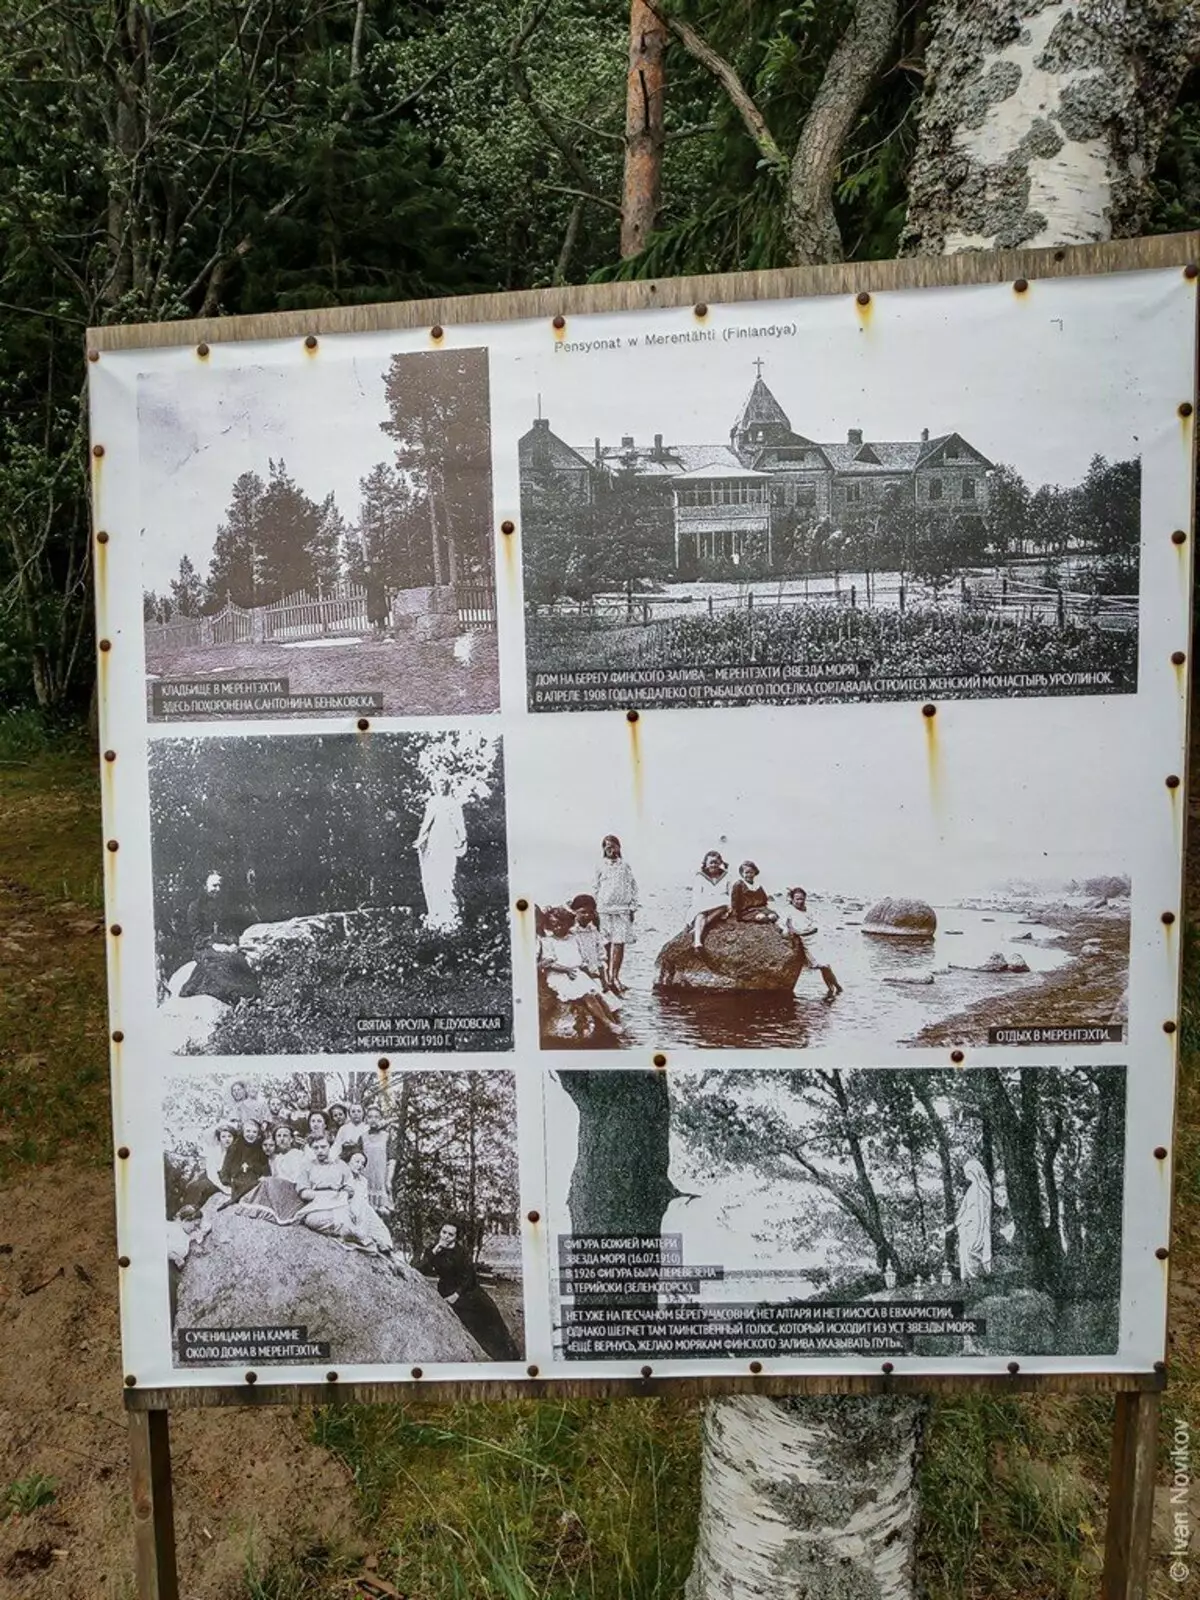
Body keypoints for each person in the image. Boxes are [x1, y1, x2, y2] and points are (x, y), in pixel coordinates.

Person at [418, 1222, 519, 1361]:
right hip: (447, 1290)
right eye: (444, 1232)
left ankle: (509, 1356)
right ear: (440, 1232)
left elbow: (470, 1276)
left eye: (450, 1234)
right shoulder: (433, 1250)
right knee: (474, 1324)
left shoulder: (461, 1251)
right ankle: (489, 1354)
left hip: (467, 1289)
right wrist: (435, 1251)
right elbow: (419, 1270)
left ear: (455, 1237)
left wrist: (457, 1294)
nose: (446, 1237)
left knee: (491, 1311)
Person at [538, 906, 625, 1036]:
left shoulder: (573, 938)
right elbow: (549, 963)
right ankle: (607, 1023)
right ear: (549, 926)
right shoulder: (548, 941)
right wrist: (566, 970)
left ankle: (612, 1023)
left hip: (577, 973)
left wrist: (590, 974)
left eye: (562, 925)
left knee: (598, 995)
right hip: (560, 975)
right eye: (554, 925)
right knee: (587, 995)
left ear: (568, 924)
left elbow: (580, 959)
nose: (558, 928)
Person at [181, 870, 261, 1002]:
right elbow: (197, 936)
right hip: (204, 947)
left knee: (238, 960)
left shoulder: (224, 907)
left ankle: (253, 993)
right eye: (214, 886)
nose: (217, 889)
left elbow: (231, 929)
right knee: (218, 963)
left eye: (219, 886)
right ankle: (239, 995)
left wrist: (232, 943)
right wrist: (215, 945)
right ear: (205, 886)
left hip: (225, 945)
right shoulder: (195, 907)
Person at [415, 775, 468, 933]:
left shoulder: (453, 803)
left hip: (448, 842)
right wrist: (420, 839)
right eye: (439, 783)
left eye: (444, 783)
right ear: (434, 785)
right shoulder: (433, 802)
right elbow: (427, 822)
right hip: (435, 842)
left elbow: (460, 823)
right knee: (434, 878)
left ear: (448, 785)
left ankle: (450, 916)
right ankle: (437, 915)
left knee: (448, 878)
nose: (441, 786)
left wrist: (462, 838)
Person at [593, 835, 638, 993]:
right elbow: (595, 887)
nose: (610, 849)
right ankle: (606, 978)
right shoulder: (600, 866)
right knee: (605, 943)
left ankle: (615, 977)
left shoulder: (624, 866)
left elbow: (632, 886)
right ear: (603, 849)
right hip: (603, 909)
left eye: (613, 846)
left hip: (622, 909)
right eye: (607, 846)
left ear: (619, 847)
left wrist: (632, 907)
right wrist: (594, 909)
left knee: (619, 944)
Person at [782, 887, 842, 1000]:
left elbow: (816, 924)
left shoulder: (809, 910)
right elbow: (789, 926)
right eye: (797, 899)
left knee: (826, 965)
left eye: (802, 899)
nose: (800, 901)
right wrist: (798, 933)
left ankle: (835, 987)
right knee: (823, 966)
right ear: (792, 899)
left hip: (816, 938)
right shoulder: (789, 910)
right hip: (805, 941)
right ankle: (833, 988)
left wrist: (811, 930)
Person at [290, 1134, 354, 1237]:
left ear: (330, 1146)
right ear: (311, 1149)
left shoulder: (340, 1165)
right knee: (311, 1220)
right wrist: (327, 1195)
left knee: (349, 1215)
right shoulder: (307, 1166)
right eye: (316, 1147)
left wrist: (343, 1194)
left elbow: (350, 1188)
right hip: (317, 1203)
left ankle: (345, 1230)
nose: (320, 1150)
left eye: (323, 1147)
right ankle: (342, 1231)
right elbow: (304, 1193)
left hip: (339, 1201)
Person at [947, 1159, 993, 1279]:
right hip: (968, 1226)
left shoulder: (983, 1190)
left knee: (971, 1251)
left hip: (977, 1226)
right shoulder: (971, 1190)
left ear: (975, 1173)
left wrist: (978, 1226)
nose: (967, 1176)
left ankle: (975, 1278)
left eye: (969, 1173)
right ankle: (967, 1279)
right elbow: (964, 1210)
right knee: (964, 1252)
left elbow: (982, 1212)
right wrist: (957, 1223)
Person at [343, 1151, 396, 1254]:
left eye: (362, 1164)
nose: (359, 1165)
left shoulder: (363, 1181)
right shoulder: (343, 1176)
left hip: (362, 1208)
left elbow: (364, 1199)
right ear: (349, 1162)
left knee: (377, 1224)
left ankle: (382, 1243)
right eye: (357, 1162)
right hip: (346, 1207)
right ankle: (364, 1239)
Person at [166, 1205, 210, 1324]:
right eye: (194, 1225)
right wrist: (174, 1257)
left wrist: (198, 1226)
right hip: (164, 1269)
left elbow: (206, 1227)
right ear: (186, 1220)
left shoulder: (186, 1234)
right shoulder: (169, 1227)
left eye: (197, 1226)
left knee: (172, 1306)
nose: (195, 1228)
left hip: (173, 1272)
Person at [219, 1119, 272, 1202]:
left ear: (258, 1134)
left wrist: (264, 1175)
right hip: (237, 1179)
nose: (251, 1134)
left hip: (254, 1179)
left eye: (254, 1132)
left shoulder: (259, 1148)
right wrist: (227, 1182)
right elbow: (226, 1167)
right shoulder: (235, 1147)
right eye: (248, 1131)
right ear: (243, 1132)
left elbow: (265, 1165)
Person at [691, 850, 731, 950]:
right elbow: (696, 895)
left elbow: (731, 892)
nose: (713, 865)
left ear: (720, 863)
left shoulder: (727, 876)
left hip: (720, 903)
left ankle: (701, 925)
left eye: (716, 862)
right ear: (706, 864)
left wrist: (731, 906)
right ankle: (697, 942)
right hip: (704, 903)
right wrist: (698, 907)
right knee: (700, 914)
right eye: (711, 863)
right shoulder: (700, 876)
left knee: (724, 904)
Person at [567, 894, 610, 990]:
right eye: (583, 912)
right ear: (574, 912)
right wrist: (589, 975)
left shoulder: (594, 932)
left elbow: (601, 955)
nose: (587, 915)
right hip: (579, 974)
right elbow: (576, 959)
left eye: (591, 912)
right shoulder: (571, 933)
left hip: (595, 972)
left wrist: (603, 980)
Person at [361, 1112, 395, 1213]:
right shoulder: (362, 1137)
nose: (373, 1119)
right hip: (367, 1180)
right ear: (366, 1119)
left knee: (383, 1213)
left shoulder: (387, 1137)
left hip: (381, 1179)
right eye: (370, 1117)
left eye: (376, 1117)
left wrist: (388, 1180)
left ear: (381, 1119)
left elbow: (392, 1159)